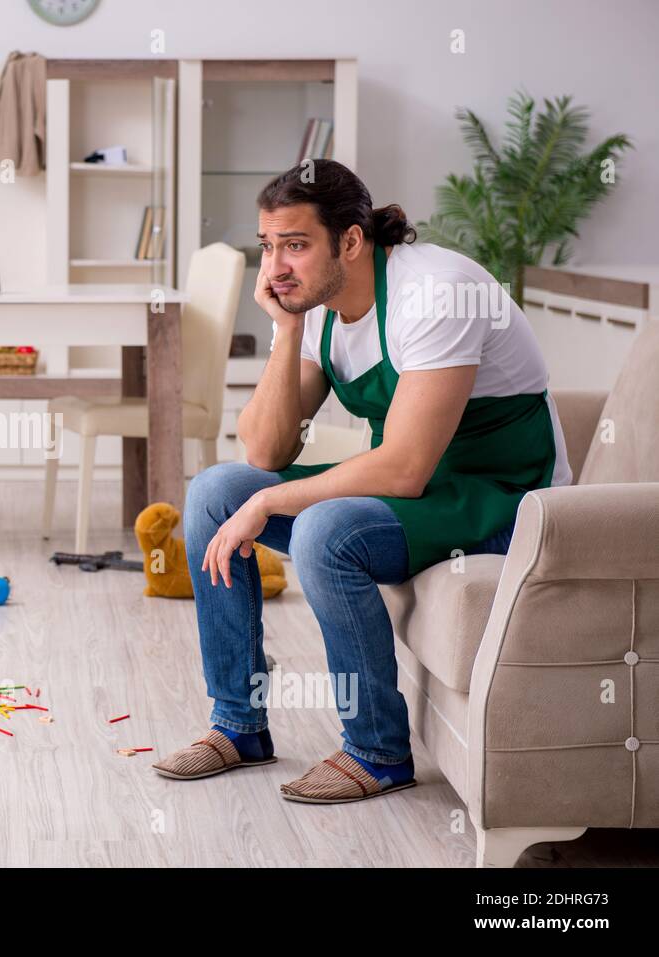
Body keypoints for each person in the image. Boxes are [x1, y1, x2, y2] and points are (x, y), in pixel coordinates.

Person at [152, 159, 570, 803]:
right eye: (268, 246)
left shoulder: (436, 293)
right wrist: (287, 329)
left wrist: (270, 501)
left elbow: (403, 466)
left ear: (350, 240)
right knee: (215, 493)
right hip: (418, 491)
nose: (276, 267)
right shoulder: (317, 305)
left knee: (326, 530)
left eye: (295, 245)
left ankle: (377, 752)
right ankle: (238, 725)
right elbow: (265, 448)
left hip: (504, 499)